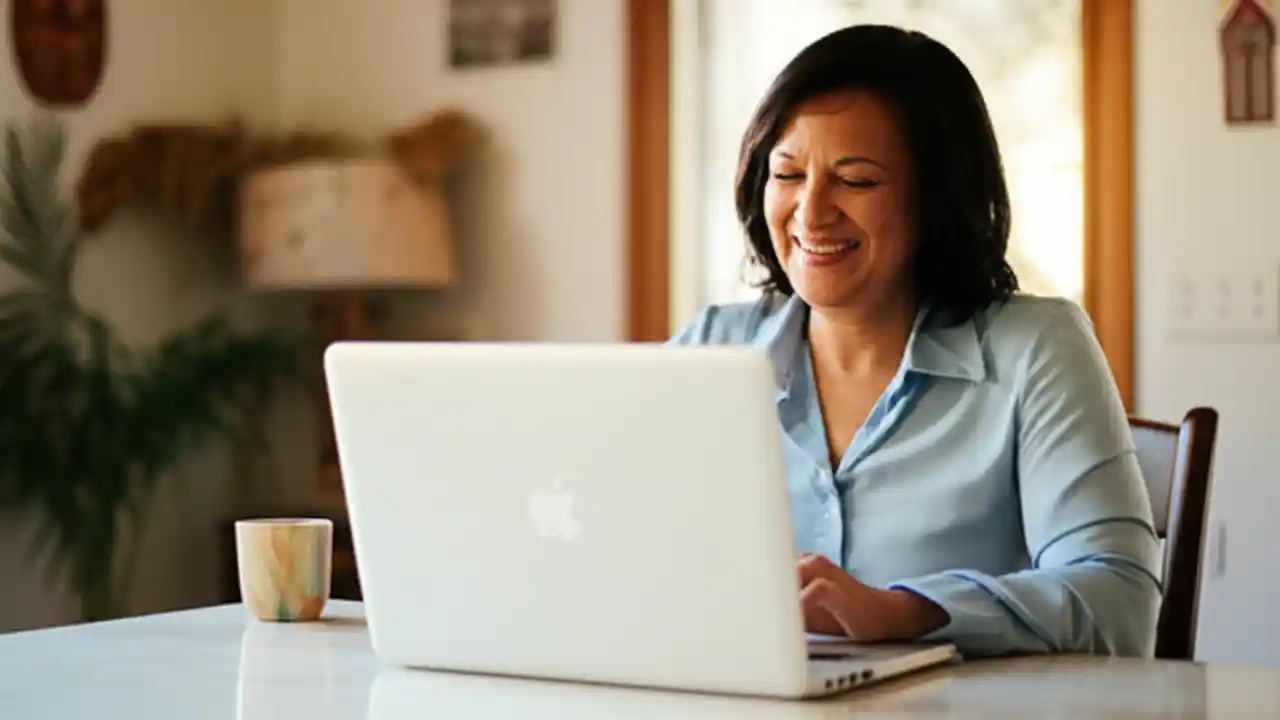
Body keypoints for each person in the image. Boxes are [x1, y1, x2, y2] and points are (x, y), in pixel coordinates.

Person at [671, 25, 1160, 658]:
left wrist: (907, 611)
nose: (811, 212)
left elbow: (1120, 602)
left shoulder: (1037, 346)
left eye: (858, 180)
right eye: (787, 173)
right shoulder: (709, 349)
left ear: (937, 199)